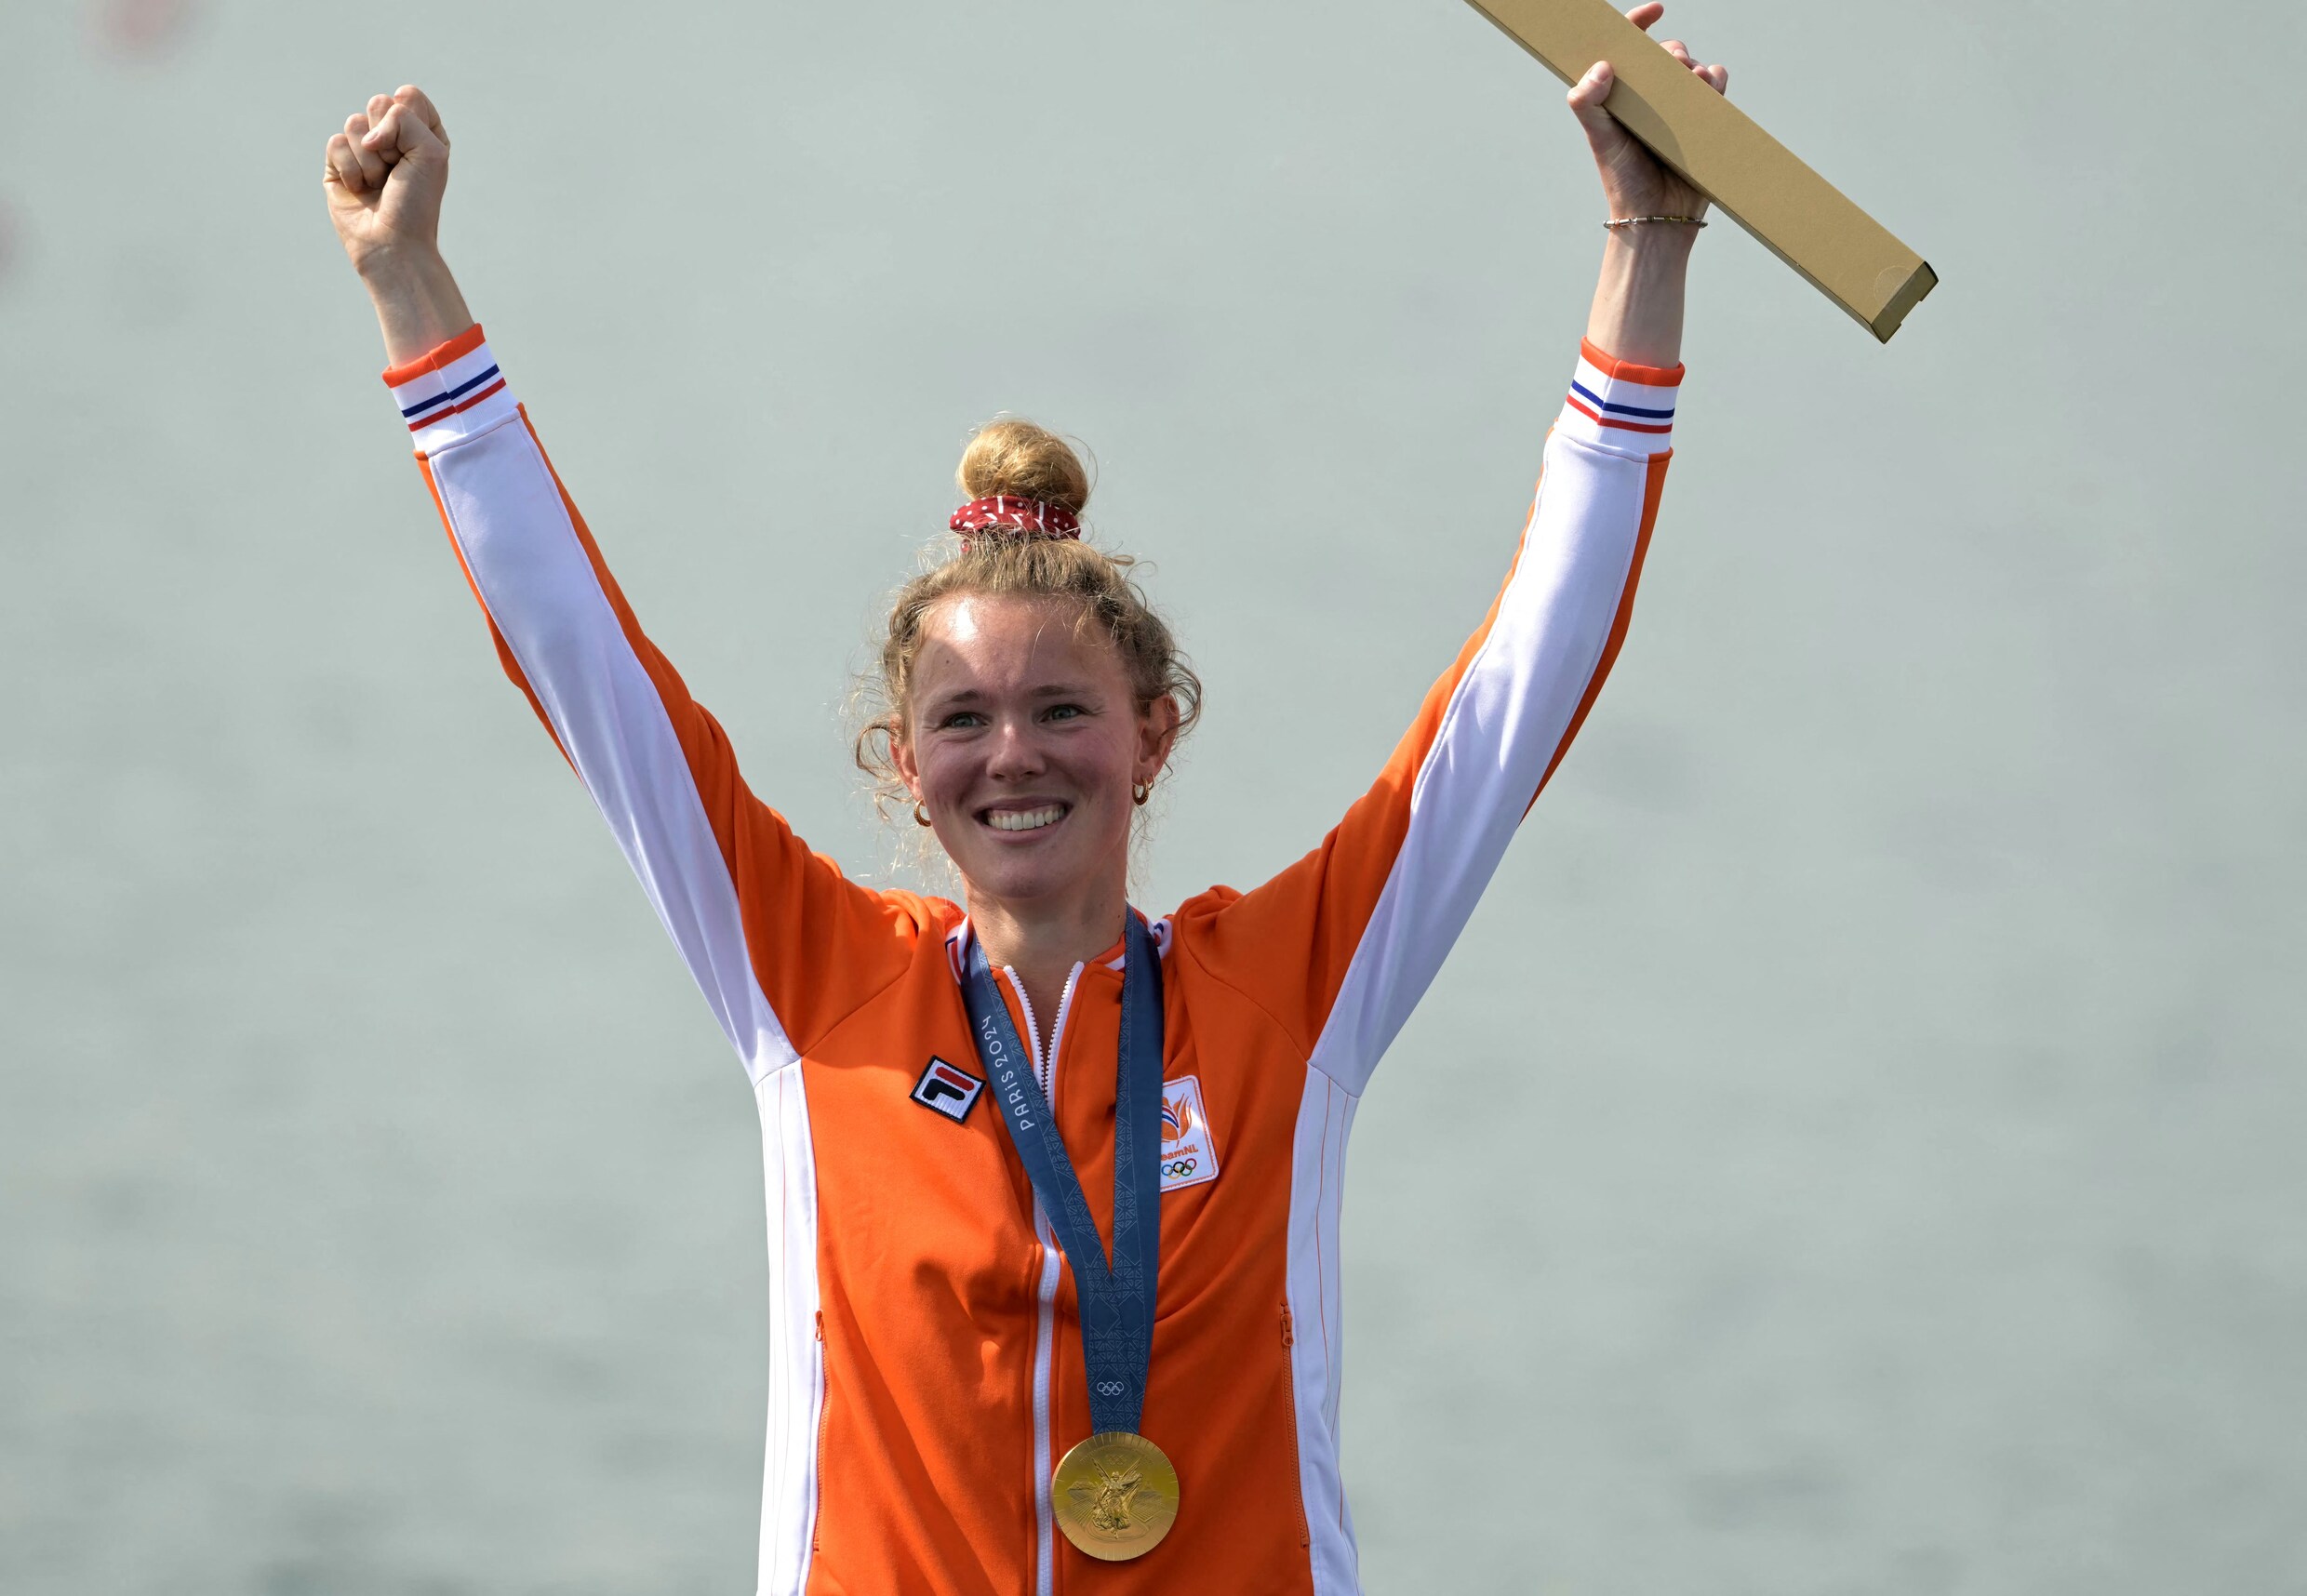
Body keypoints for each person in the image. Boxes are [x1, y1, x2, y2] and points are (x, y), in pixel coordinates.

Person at [322, 8, 1727, 1591]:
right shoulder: (808, 984)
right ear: (904, 771)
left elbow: (1518, 691)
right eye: (964, 722)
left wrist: (1643, 242)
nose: (1016, 757)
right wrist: (411, 290)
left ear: (1153, 736)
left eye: (1064, 711)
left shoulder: (1290, 996)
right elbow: (582, 659)